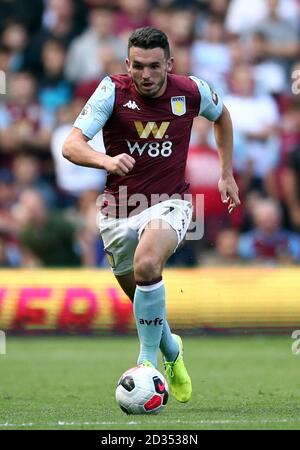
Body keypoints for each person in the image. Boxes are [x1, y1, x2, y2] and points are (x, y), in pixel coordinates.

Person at [63, 27, 240, 403]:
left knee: (147, 266)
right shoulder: (111, 90)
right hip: (117, 210)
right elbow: (71, 145)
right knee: (142, 296)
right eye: (138, 66)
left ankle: (146, 362)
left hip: (169, 201)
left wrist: (226, 173)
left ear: (168, 64)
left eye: (154, 66)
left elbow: (222, 116)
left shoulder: (191, 90)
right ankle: (171, 351)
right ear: (128, 64)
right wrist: (106, 160)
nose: (146, 74)